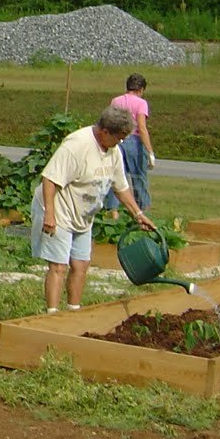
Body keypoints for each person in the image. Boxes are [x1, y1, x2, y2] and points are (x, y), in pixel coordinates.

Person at [32, 104, 156, 313]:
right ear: (104, 131)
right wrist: (49, 215)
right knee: (58, 266)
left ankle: (74, 311)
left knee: (81, 264)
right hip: (59, 210)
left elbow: (121, 186)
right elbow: (50, 179)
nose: (121, 142)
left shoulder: (113, 150)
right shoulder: (77, 145)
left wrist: (138, 214)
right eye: (118, 137)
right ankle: (52, 316)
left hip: (84, 215)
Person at [104, 72, 155, 212]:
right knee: (139, 177)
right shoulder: (141, 103)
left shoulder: (116, 101)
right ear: (141, 90)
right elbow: (142, 128)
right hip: (134, 141)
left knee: (117, 176)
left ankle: (112, 212)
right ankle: (142, 210)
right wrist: (150, 151)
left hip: (117, 140)